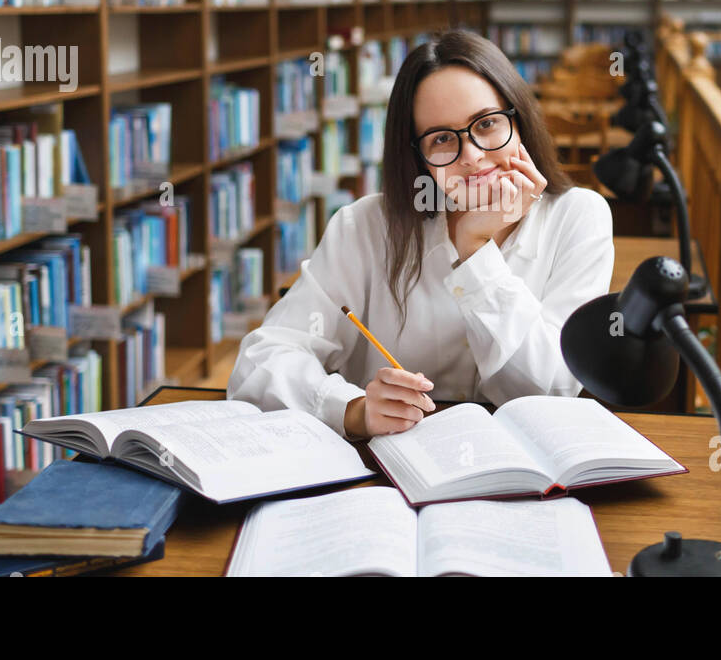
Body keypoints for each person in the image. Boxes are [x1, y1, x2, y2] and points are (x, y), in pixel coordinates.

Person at [227, 29, 615, 439]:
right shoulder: (363, 226)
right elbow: (259, 362)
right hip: (386, 470)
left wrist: (473, 250)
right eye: (443, 139)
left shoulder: (578, 217)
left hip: (526, 472)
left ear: (518, 119)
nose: (473, 156)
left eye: (486, 124)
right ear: (417, 156)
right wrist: (352, 409)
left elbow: (549, 391)